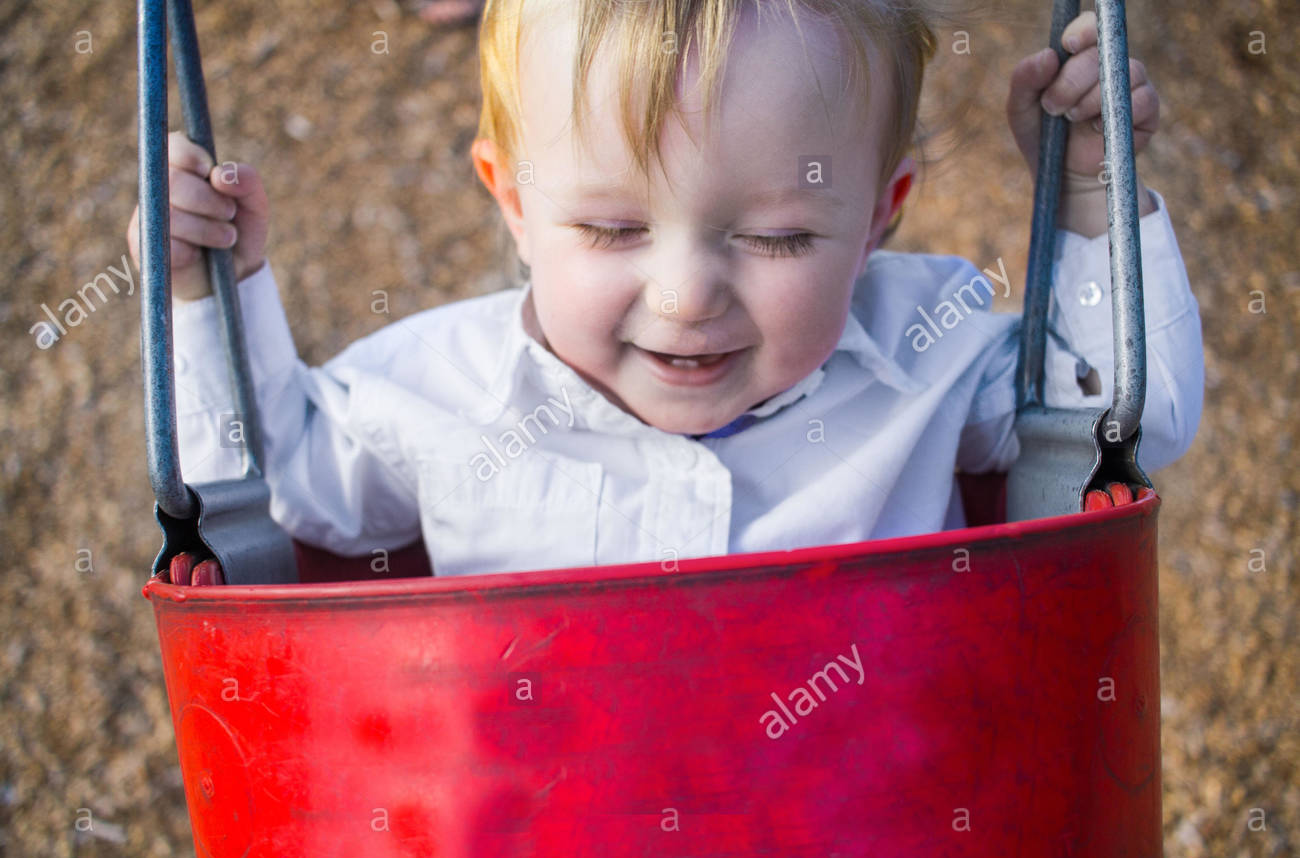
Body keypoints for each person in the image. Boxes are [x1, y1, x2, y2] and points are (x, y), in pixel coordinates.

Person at [126, 0, 1202, 578]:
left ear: (883, 209)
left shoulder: (930, 350)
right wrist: (199, 297)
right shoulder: (443, 395)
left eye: (778, 238)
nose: (686, 296)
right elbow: (277, 490)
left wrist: (1093, 199)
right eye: (610, 228)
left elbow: (1118, 425)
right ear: (510, 201)